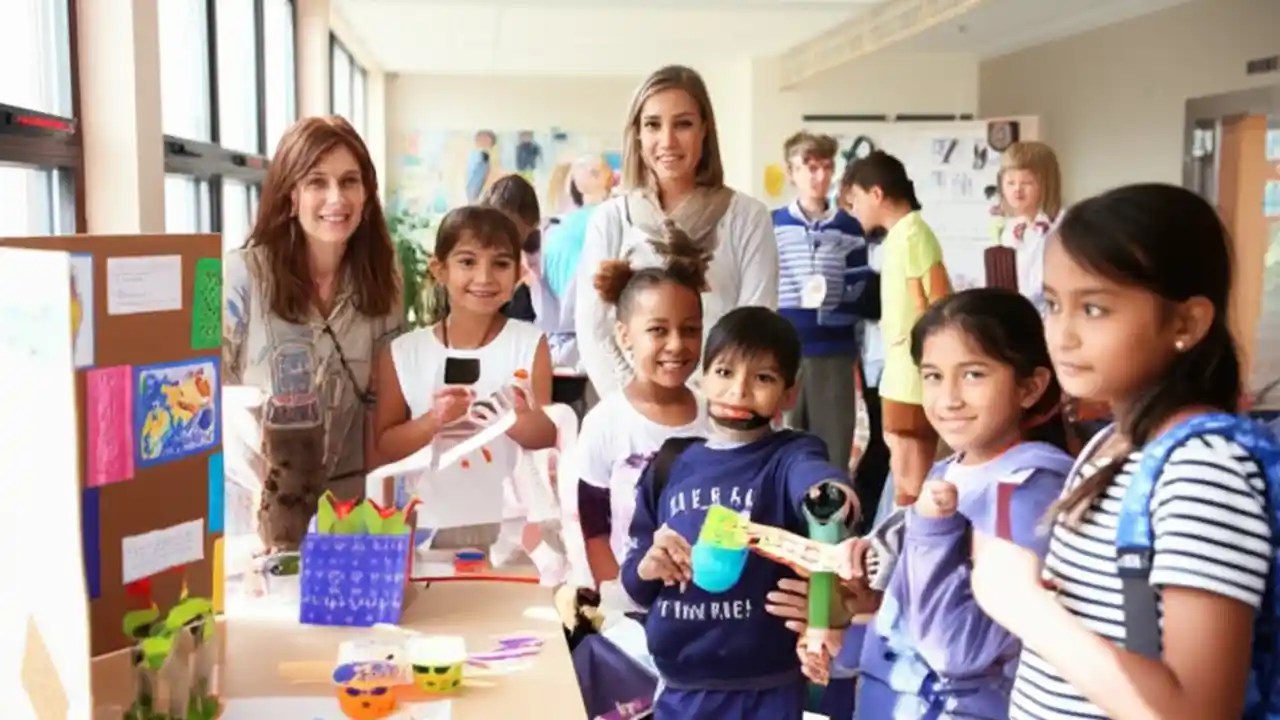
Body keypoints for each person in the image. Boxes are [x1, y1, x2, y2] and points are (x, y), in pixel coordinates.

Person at [967, 184, 1271, 720]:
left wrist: (1022, 605)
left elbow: (1198, 712)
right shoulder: (1114, 441)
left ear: (1186, 323)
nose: (1061, 334)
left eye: (1095, 308)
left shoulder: (1201, 470)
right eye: (1054, 304)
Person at [769, 288, 1074, 719]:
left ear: (1030, 387)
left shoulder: (1027, 491)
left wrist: (932, 530)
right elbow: (908, 626)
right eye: (932, 375)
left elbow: (960, 653)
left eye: (973, 375)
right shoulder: (948, 472)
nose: (948, 398)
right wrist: (840, 633)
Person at [619, 306, 857, 720]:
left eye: (762, 377)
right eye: (725, 372)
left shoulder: (789, 455)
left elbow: (817, 481)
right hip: (679, 686)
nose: (739, 391)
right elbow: (635, 585)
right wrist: (647, 568)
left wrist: (830, 495)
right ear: (703, 378)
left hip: (765, 687)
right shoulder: (670, 463)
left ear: (789, 394)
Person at [223, 116, 401, 558]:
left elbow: (386, 410)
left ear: (366, 194)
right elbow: (196, 388)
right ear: (290, 195)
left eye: (349, 181)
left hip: (348, 517)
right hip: (253, 517)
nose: (336, 198)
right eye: (317, 182)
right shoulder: (230, 273)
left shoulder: (386, 284)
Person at [576, 64, 778, 398]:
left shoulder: (747, 217)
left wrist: (703, 403)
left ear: (704, 131)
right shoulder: (611, 219)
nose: (667, 141)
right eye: (653, 125)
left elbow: (755, 324)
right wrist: (639, 405)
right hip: (631, 413)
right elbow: (594, 328)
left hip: (721, 410)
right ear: (637, 134)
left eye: (683, 124)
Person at [372, 205, 558, 550]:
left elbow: (546, 436)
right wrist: (433, 421)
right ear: (439, 269)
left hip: (513, 532)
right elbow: (385, 446)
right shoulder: (403, 353)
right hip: (427, 528)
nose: (485, 278)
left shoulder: (530, 343)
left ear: (518, 272)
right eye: (467, 262)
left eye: (500, 263)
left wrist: (514, 418)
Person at [576, 222, 711, 587]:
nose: (676, 344)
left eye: (690, 329)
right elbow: (593, 531)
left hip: (708, 608)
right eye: (657, 330)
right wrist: (622, 600)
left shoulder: (718, 420)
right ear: (625, 335)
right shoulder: (605, 423)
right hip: (632, 614)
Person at [843, 150, 951, 508]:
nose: (853, 209)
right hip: (899, 369)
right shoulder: (899, 237)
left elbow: (937, 303)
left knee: (910, 465)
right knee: (900, 456)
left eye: (855, 199)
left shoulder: (913, 235)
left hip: (911, 373)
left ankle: (914, 540)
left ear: (876, 194)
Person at [772, 131, 873, 476]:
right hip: (784, 350)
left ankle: (830, 525)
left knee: (831, 449)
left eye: (826, 167)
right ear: (792, 172)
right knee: (781, 444)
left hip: (833, 351)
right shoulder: (773, 225)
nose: (818, 176)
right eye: (809, 167)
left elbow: (858, 290)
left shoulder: (849, 228)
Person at [996, 141, 1064, 309]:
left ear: (1046, 184)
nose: (1017, 190)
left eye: (1027, 182)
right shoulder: (1010, 229)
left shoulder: (1063, 227)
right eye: (1010, 183)